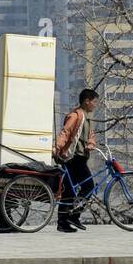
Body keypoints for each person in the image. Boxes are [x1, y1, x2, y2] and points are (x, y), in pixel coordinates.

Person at [54, 88, 98, 232]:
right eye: (94, 102)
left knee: (68, 191)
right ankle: (74, 215)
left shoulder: (87, 118)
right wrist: (57, 147)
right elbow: (65, 133)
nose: (95, 105)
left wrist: (91, 144)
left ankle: (63, 223)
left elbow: (91, 135)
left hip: (80, 157)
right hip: (74, 158)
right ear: (87, 101)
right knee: (89, 186)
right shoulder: (76, 116)